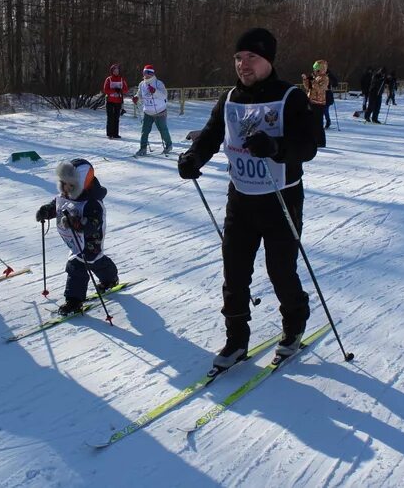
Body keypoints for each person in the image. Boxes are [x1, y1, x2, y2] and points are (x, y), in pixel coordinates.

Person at [176, 27, 318, 369]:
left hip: (281, 197)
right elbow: (211, 136)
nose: (243, 64)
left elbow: (309, 145)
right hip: (240, 199)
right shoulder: (229, 99)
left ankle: (294, 323)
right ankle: (236, 339)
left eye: (251, 57)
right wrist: (194, 158)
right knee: (235, 272)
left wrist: (276, 148)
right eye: (239, 58)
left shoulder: (291, 97)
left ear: (268, 60)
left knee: (280, 270)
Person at [35, 159, 119, 315]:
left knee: (82, 265)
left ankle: (75, 301)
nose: (66, 188)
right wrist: (46, 211)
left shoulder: (93, 203)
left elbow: (93, 224)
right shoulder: (66, 195)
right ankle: (108, 279)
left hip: (91, 240)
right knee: (88, 263)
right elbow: (57, 206)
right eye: (63, 183)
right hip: (75, 241)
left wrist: (76, 224)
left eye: (70, 185)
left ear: (83, 183)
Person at [132, 65, 173, 155]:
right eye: (144, 74)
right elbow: (139, 93)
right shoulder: (142, 84)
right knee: (144, 131)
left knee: (163, 130)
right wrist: (136, 97)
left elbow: (164, 95)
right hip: (148, 112)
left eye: (147, 74)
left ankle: (169, 145)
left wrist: (155, 91)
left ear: (151, 74)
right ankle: (143, 148)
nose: (145, 76)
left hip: (160, 111)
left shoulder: (159, 83)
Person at [301, 60, 328, 147]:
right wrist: (306, 80)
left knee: (318, 123)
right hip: (312, 101)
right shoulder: (315, 77)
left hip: (319, 103)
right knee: (312, 122)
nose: (315, 71)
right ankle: (314, 139)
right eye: (314, 69)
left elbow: (320, 89)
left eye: (317, 69)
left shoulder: (324, 78)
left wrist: (314, 81)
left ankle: (321, 141)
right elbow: (308, 88)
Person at [102, 64, 128, 139]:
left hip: (118, 101)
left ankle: (115, 133)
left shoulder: (121, 79)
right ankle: (110, 133)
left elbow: (126, 89)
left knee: (116, 117)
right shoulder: (109, 79)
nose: (116, 72)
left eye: (117, 71)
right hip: (110, 101)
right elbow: (105, 90)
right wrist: (114, 90)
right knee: (110, 117)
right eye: (114, 71)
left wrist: (120, 90)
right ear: (112, 71)